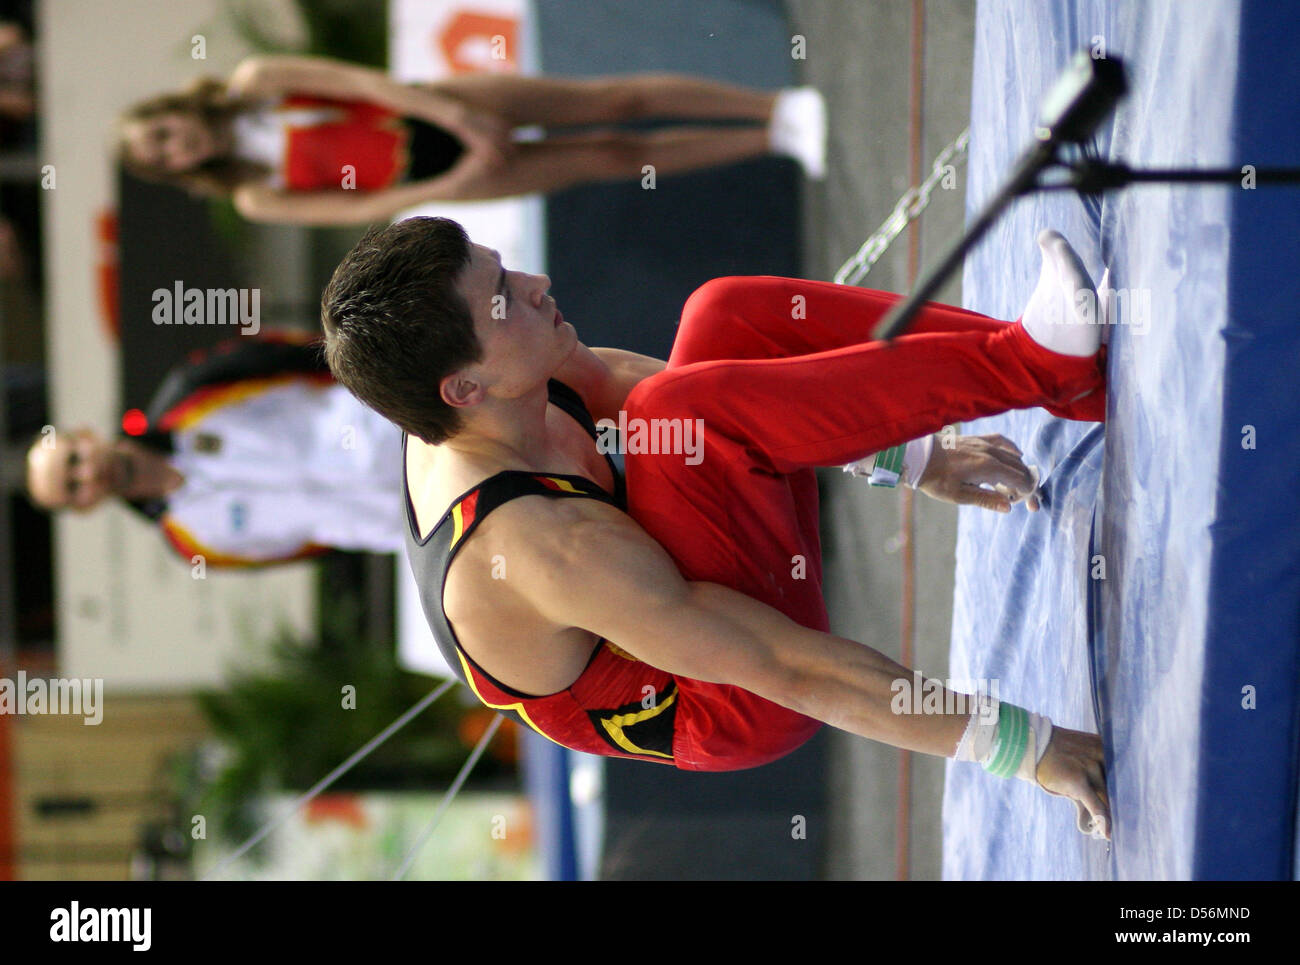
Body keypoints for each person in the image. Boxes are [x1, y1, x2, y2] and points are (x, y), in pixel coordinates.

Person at [320, 217, 1112, 838]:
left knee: (722, 315)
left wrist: (912, 458)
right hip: (731, 697)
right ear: (464, 387)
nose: (537, 283)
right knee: (678, 414)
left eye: (508, 266)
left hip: (681, 586)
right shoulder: (532, 547)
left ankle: (1051, 369)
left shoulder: (505, 375)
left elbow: (655, 385)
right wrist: (1034, 750)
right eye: (504, 296)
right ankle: (1040, 361)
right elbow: (788, 668)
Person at [117, 56, 827, 225]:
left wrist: (460, 121)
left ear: (169, 107)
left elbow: (362, 85)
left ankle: (773, 102)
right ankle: (775, 138)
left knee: (612, 101)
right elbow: (363, 209)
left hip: (431, 108)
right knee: (613, 156)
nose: (177, 146)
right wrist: (450, 188)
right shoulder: (252, 195)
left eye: (162, 133)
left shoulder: (255, 78)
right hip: (432, 179)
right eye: (166, 159)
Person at [26, 332, 404, 566]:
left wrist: (391, 374)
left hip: (399, 420)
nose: (88, 474)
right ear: (84, 508)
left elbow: (298, 352)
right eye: (74, 486)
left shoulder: (192, 389)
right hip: (403, 522)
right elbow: (307, 550)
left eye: (74, 459)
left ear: (85, 435)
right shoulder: (192, 546)